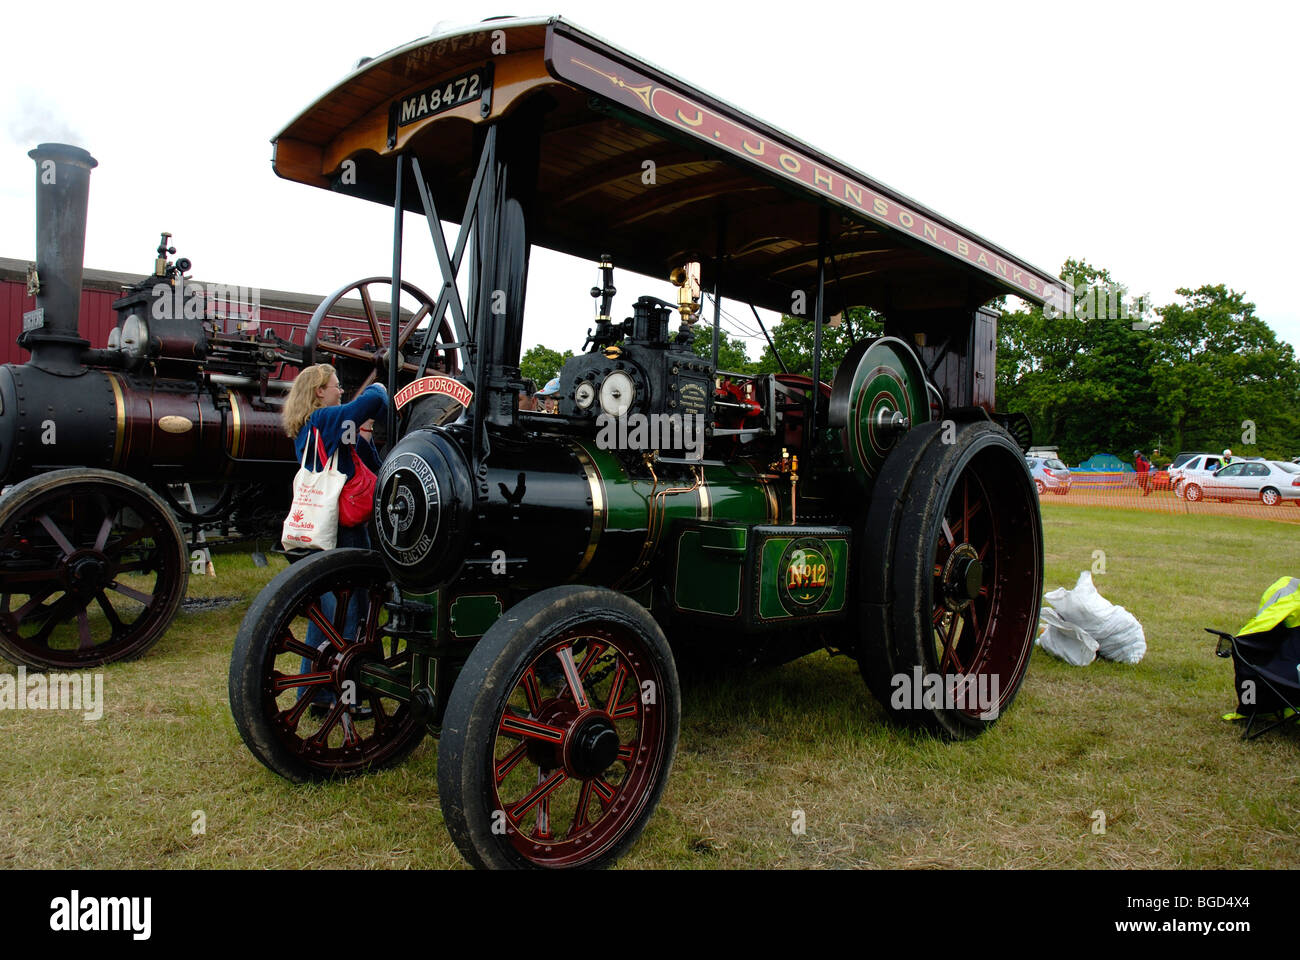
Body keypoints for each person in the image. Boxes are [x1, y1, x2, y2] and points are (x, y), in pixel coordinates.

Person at [281, 364, 389, 715]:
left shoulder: (314, 428)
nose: (341, 391)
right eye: (336, 386)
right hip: (342, 530)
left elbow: (372, 463)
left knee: (324, 616)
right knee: (349, 612)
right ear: (318, 392)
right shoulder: (325, 419)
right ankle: (348, 699)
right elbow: (369, 403)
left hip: (320, 530)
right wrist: (382, 387)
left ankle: (315, 696)